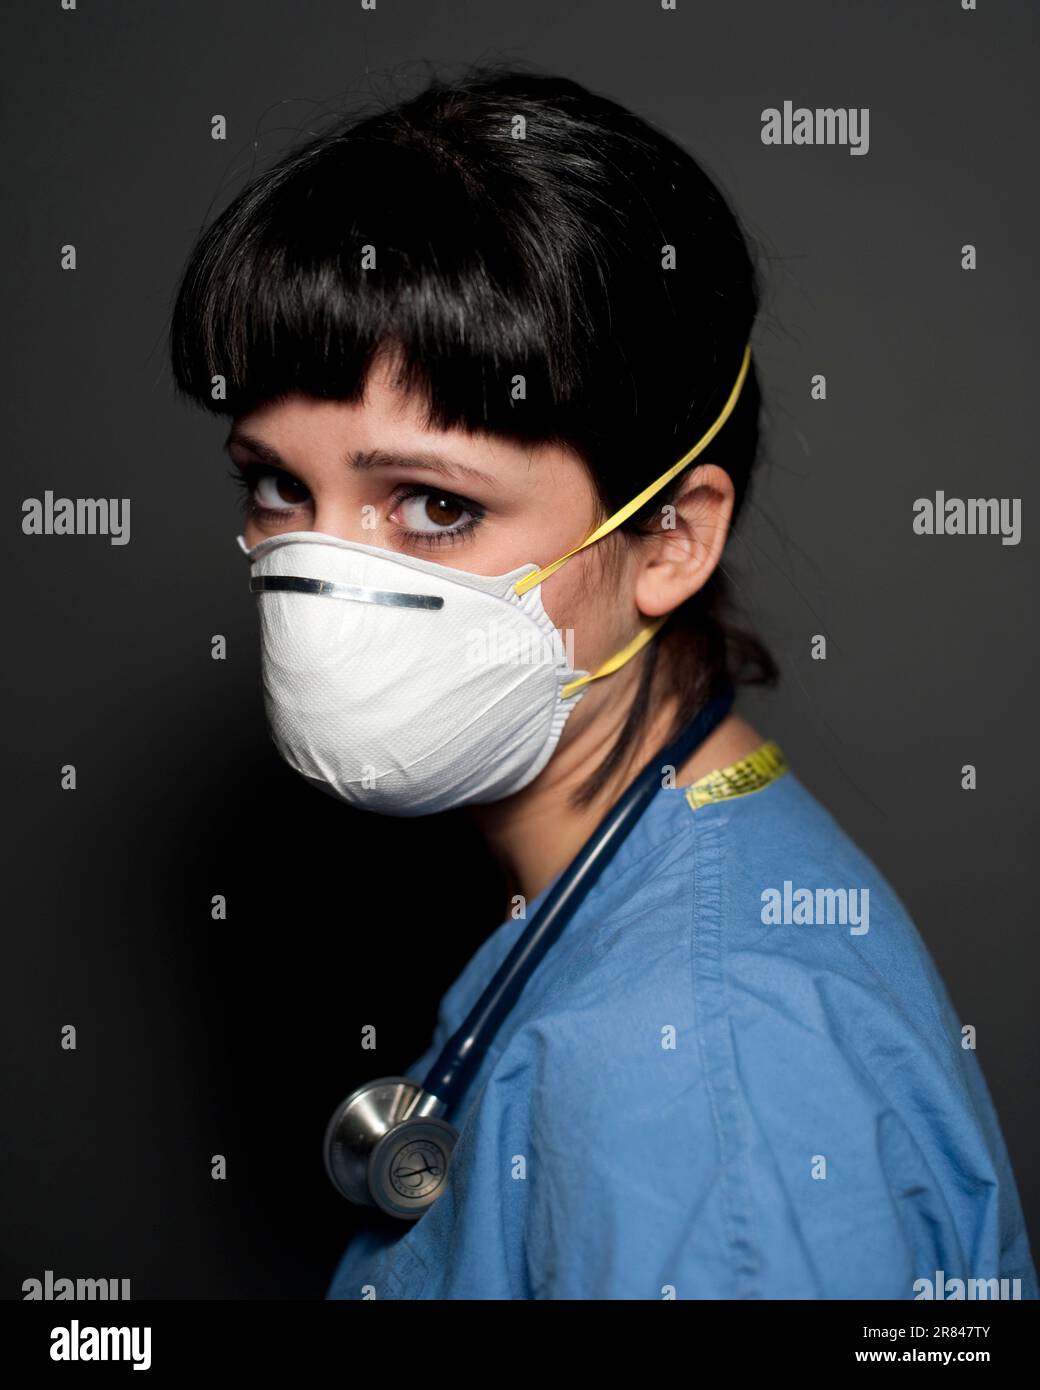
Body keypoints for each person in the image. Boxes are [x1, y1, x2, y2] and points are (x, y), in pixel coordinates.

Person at [168, 65, 1037, 1300]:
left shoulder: (695, 1062)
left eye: (432, 504)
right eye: (278, 490)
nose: (329, 585)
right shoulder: (648, 903)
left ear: (669, 538)